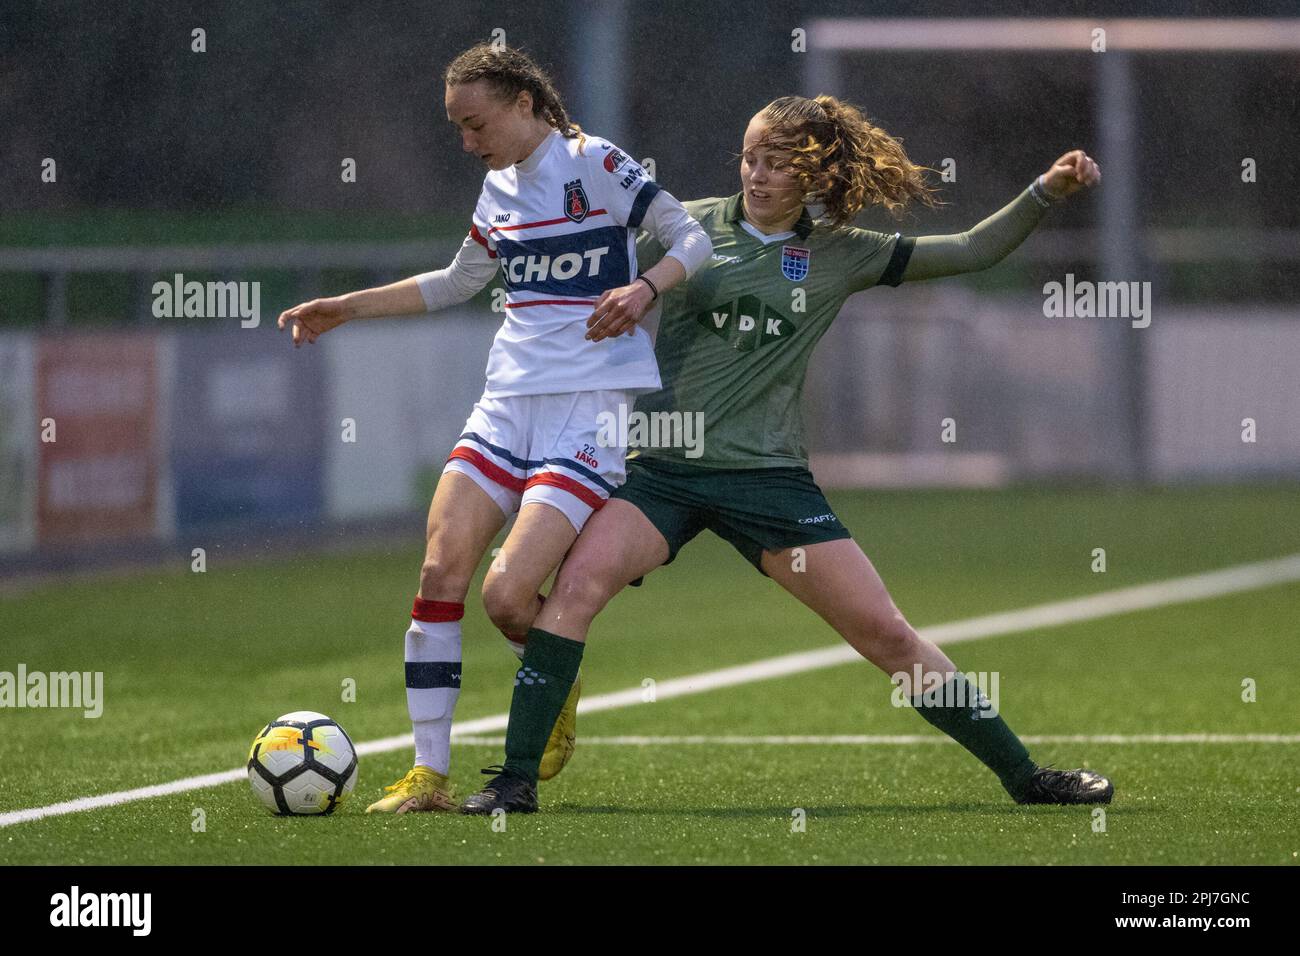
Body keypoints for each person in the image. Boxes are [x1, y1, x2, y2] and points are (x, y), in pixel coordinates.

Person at [460, 94, 1112, 814]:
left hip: (770, 480)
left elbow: (972, 251)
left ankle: (1026, 778)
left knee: (886, 634)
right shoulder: (688, 229)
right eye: (749, 158)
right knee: (574, 594)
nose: (758, 175)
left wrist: (1043, 192)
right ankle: (514, 783)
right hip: (663, 472)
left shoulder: (840, 252)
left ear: (814, 175)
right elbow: (583, 263)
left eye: (777, 164)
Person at [277, 43, 711, 813]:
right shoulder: (495, 191)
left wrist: (645, 288)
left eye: (475, 123)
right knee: (441, 572)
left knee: (509, 596)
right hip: (506, 403)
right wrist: (346, 307)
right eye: (457, 128)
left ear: (522, 102)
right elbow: (455, 283)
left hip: (587, 405)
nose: (467, 141)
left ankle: (554, 674)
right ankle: (428, 775)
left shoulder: (596, 163)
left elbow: (692, 240)